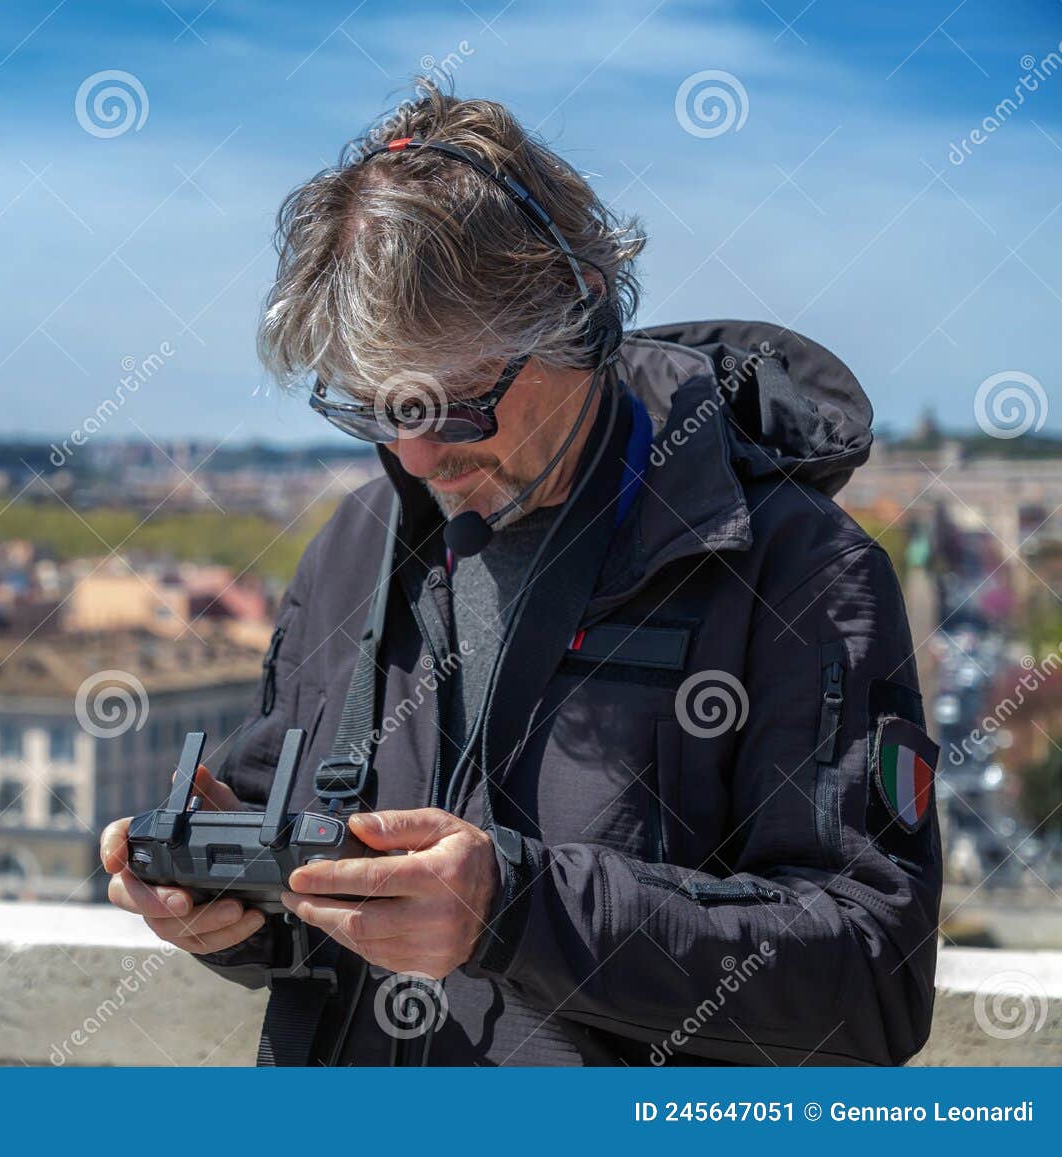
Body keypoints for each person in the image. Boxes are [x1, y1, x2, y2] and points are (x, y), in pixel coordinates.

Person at [99, 79, 942, 1066]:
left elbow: (872, 982)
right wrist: (229, 909)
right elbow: (313, 933)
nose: (416, 457)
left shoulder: (799, 569)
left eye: (456, 404)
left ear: (579, 314)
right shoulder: (354, 543)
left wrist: (517, 910)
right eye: (377, 409)